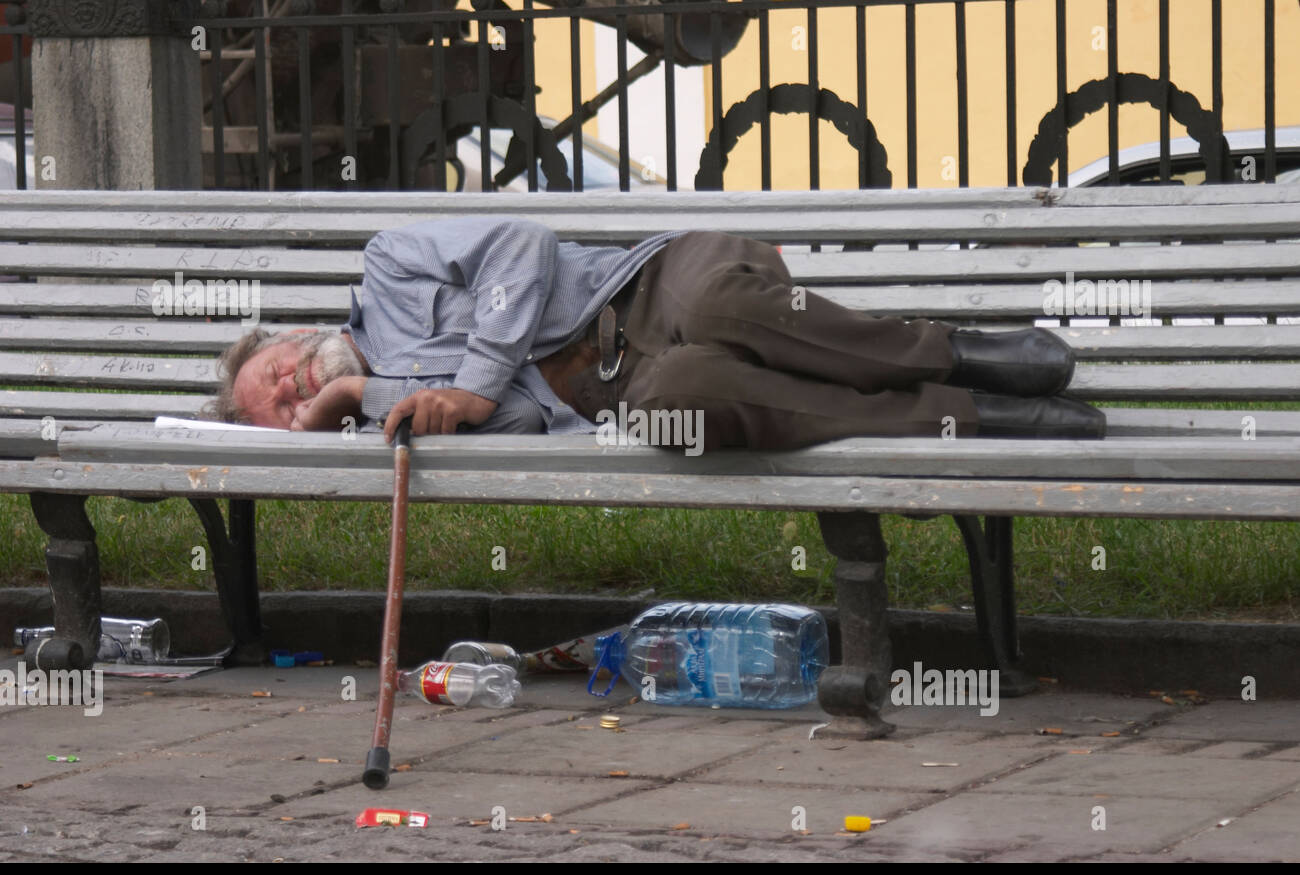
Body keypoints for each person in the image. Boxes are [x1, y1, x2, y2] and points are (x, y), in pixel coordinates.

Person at [208, 216, 1104, 449]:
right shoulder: (385, 425)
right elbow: (518, 426)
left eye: (279, 370)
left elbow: (521, 244)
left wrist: (475, 378)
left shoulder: (390, 266)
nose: (294, 385)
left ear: (291, 333)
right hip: (624, 389)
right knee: (686, 402)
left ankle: (954, 353)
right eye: (283, 407)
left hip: (651, 285)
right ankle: (967, 416)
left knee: (722, 313)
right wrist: (368, 395)